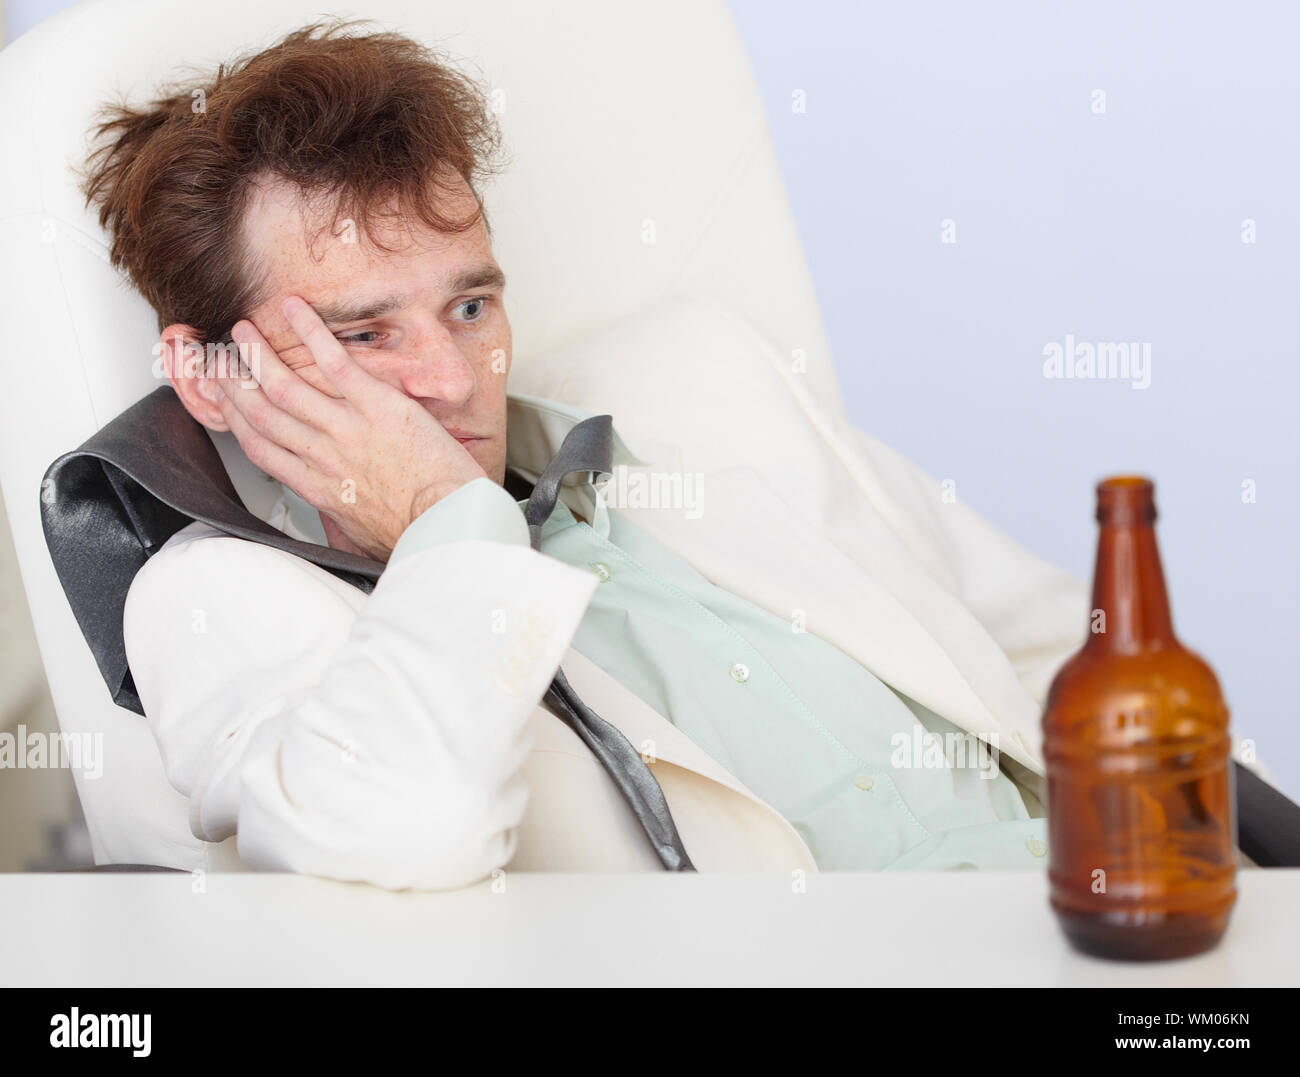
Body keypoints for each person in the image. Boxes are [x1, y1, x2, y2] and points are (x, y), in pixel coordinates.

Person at [73, 21, 1078, 889]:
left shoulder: (703, 375)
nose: (455, 379)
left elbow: (1063, 652)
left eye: (470, 306)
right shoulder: (209, 600)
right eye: (365, 335)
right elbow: (399, 840)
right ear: (208, 375)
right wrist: (441, 515)